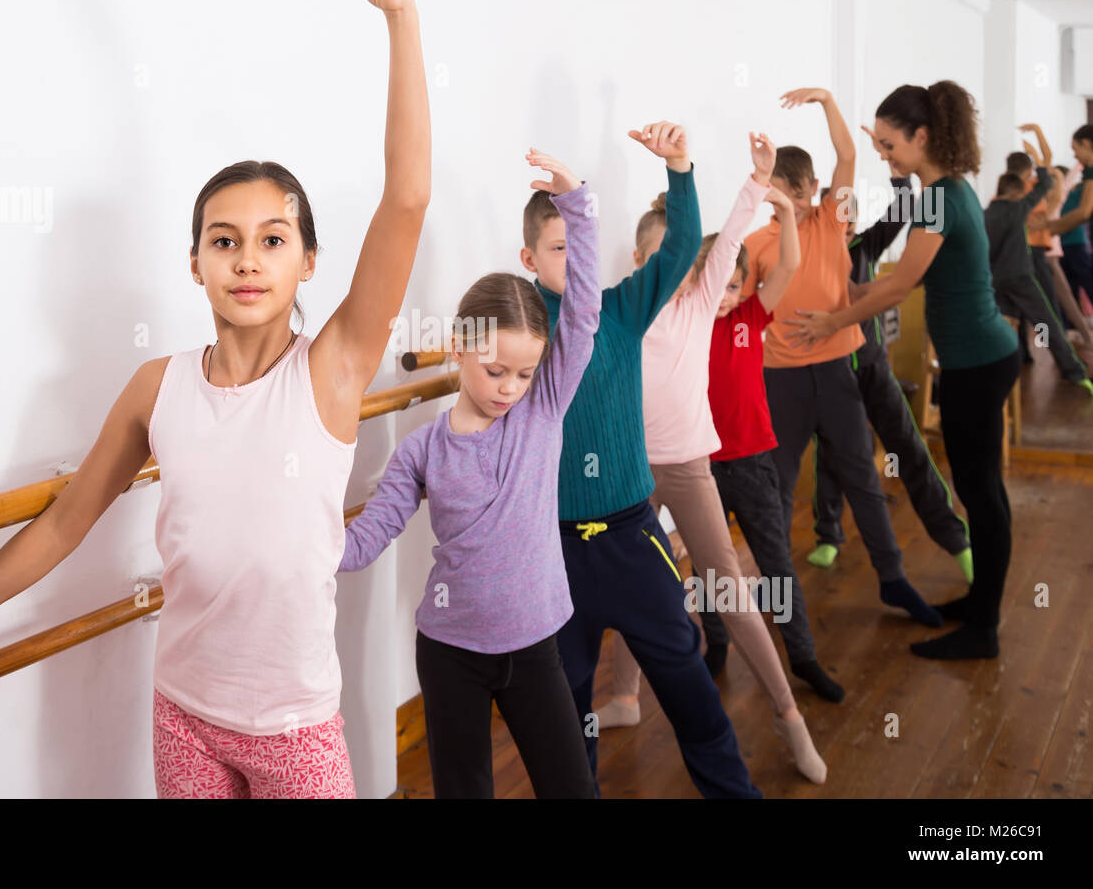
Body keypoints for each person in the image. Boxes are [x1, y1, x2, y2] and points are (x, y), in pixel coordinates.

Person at [0, 0, 431, 798]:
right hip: (181, 711)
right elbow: (62, 524)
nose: (246, 259)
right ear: (194, 265)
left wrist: (399, 18)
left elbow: (405, 199)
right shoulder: (156, 387)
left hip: (295, 730)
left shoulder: (329, 371)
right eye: (224, 240)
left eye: (271, 239)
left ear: (307, 263)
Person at [338, 149, 599, 799]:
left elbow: (586, 314)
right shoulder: (424, 449)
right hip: (450, 650)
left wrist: (579, 207)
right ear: (460, 348)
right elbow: (368, 537)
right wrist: (302, 548)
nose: (510, 387)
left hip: (536, 644)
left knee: (573, 788)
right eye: (494, 370)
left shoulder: (542, 411)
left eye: (523, 373)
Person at [526, 120, 760, 798]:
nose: (571, 259)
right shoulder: (521, 329)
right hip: (557, 556)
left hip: (633, 540)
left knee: (688, 686)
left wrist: (681, 167)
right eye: (556, 247)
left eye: (580, 244)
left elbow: (684, 244)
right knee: (568, 712)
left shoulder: (622, 310)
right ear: (528, 256)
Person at [605, 132, 826, 783]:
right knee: (634, 583)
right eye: (654, 259)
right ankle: (621, 697)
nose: (666, 270)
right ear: (639, 259)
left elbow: (725, 240)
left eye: (674, 259)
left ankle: (790, 718)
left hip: (692, 467)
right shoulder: (621, 312)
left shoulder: (702, 304)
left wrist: (757, 184)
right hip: (632, 473)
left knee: (727, 589)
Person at [786, 81, 1018, 660]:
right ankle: (980, 602)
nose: (883, 155)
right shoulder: (943, 190)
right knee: (979, 489)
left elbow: (900, 284)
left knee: (981, 493)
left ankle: (984, 627)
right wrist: (855, 289)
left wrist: (834, 318)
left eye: (890, 145)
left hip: (979, 365)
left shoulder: (942, 198)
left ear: (922, 136)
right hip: (978, 360)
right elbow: (890, 276)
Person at [742, 87, 942, 643]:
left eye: (792, 196)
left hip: (836, 370)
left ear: (810, 190)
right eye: (774, 198)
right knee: (777, 485)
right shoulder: (756, 243)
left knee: (861, 476)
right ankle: (776, 589)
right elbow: (742, 302)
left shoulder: (832, 221)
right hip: (779, 378)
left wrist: (828, 101)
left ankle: (893, 576)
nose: (784, 206)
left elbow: (848, 157)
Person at [809, 149, 973, 577]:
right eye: (834, 220)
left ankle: (955, 538)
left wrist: (898, 171)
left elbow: (903, 210)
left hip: (874, 367)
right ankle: (828, 534)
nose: (842, 229)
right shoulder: (807, 257)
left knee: (908, 448)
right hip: (831, 373)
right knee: (832, 456)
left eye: (848, 222)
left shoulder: (867, 245)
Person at [985, 128, 1091, 393]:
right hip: (1025, 272)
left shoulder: (986, 212)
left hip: (998, 278)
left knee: (1010, 323)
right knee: (1044, 320)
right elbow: (1045, 182)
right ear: (1019, 188)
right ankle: (1072, 370)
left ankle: (1018, 360)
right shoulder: (1021, 205)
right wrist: (1040, 156)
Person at [1046, 125, 1093, 317]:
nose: (1074, 155)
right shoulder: (1087, 173)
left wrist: (1047, 229)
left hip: (1074, 245)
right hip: (1062, 248)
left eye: (1075, 149)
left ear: (1086, 144)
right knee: (1066, 292)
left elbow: (1083, 212)